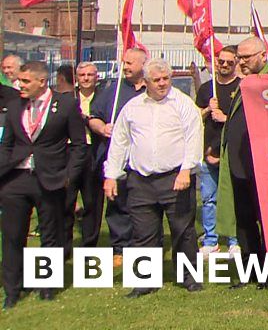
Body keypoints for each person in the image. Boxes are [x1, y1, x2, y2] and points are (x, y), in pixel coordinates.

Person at [103, 58, 204, 297]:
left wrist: (186, 170)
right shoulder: (132, 107)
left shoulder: (183, 104)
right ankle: (146, 280)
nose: (162, 84)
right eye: (156, 80)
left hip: (176, 177)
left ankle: (189, 277)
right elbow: (120, 142)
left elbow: (193, 137)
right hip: (141, 179)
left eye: (166, 79)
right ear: (145, 81)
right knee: (143, 233)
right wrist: (111, 175)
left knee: (183, 230)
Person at [0, 61, 86, 308]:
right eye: (19, 81)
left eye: (25, 81)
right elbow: (7, 143)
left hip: (50, 179)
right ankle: (12, 290)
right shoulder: (15, 104)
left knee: (50, 235)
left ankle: (46, 286)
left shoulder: (66, 104)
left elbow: (79, 145)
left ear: (41, 81)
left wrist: (69, 175)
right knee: (13, 236)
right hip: (16, 179)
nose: (20, 85)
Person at [216, 38, 268, 292]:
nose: (241, 62)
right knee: (243, 222)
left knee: (267, 221)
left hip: (262, 165)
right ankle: (249, 270)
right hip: (239, 163)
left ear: (263, 56)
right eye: (239, 57)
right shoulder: (244, 81)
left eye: (247, 58)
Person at [87, 47, 148, 267]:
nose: (126, 67)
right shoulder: (113, 90)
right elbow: (93, 117)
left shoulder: (151, 91)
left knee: (144, 206)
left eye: (130, 63)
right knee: (118, 205)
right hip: (117, 158)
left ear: (143, 64)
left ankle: (145, 248)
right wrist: (102, 128)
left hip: (144, 160)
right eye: (124, 63)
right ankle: (120, 248)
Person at [194, 46, 241, 256]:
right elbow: (195, 119)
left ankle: (234, 239)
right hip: (208, 150)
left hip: (231, 152)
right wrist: (206, 110)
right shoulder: (206, 89)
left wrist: (225, 118)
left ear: (236, 63)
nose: (224, 66)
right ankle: (211, 239)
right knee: (209, 199)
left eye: (229, 63)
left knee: (233, 197)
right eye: (221, 61)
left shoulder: (241, 87)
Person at [65, 62, 103, 249]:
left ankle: (89, 245)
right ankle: (63, 244)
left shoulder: (104, 98)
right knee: (66, 199)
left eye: (90, 75)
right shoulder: (68, 99)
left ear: (97, 77)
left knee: (92, 201)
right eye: (82, 75)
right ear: (77, 78)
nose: (86, 78)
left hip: (93, 152)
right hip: (70, 153)